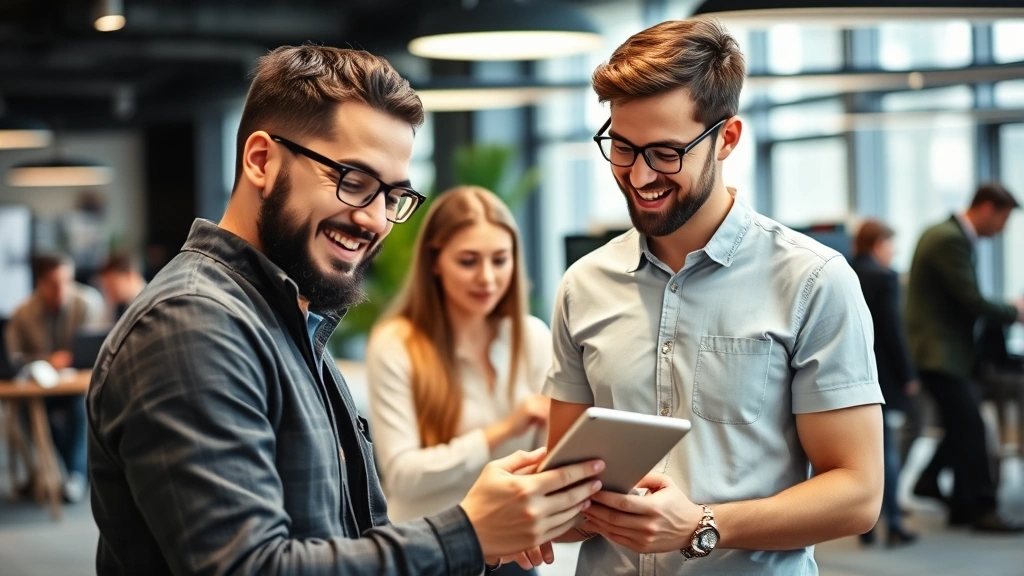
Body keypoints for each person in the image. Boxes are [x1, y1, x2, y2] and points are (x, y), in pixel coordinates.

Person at [87, 46, 603, 576]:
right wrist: (466, 532)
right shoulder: (191, 324)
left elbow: (348, 538)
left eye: (393, 196)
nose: (376, 220)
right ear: (261, 160)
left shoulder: (289, 319)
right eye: (353, 181)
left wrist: (487, 536)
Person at [543, 20, 885, 575]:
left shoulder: (812, 281)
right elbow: (573, 485)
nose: (638, 174)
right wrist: (540, 510)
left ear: (726, 138)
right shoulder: (584, 285)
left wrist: (702, 524)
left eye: (665, 152)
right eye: (622, 147)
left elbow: (858, 492)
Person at [367, 186, 552, 574]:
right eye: (468, 261)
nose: (487, 278)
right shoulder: (397, 344)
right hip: (429, 551)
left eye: (500, 260)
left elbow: (544, 464)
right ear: (435, 261)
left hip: (511, 550)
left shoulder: (532, 337)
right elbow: (402, 478)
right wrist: (502, 431)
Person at [905, 182, 1024, 532]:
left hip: (944, 353)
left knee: (962, 426)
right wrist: (1015, 312)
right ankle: (983, 509)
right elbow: (971, 300)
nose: (1001, 229)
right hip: (939, 353)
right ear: (987, 208)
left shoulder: (948, 235)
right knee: (971, 427)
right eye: (1002, 220)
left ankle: (953, 500)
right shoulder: (949, 239)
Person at [5, 253, 105, 503]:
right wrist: (48, 360)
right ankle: (48, 473)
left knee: (79, 409)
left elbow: (100, 348)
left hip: (75, 387)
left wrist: (70, 359)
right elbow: (12, 357)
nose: (63, 289)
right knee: (29, 413)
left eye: (67, 281)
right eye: (55, 282)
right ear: (40, 283)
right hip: (39, 387)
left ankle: (75, 474)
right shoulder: (23, 313)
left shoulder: (88, 303)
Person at [850, 220, 919, 547]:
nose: (893, 253)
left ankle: (865, 526)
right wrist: (908, 376)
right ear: (878, 244)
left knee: (857, 451)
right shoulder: (884, 278)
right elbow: (892, 332)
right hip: (882, 377)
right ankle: (892, 521)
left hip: (847, 374)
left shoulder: (844, 270)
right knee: (885, 449)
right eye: (891, 245)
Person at [96, 252, 146, 323]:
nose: (108, 292)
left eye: (111, 286)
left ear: (130, 276)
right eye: (105, 287)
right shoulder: (117, 307)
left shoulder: (149, 308)